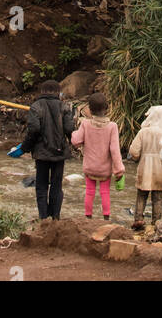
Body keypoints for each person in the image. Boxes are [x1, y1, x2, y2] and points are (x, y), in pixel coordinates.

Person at [24, 79, 75, 221]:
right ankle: (55, 217)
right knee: (56, 185)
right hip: (59, 153)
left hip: (41, 153)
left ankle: (43, 218)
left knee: (41, 186)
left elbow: (33, 130)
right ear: (58, 92)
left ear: (42, 92)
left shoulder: (36, 106)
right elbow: (69, 129)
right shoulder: (64, 107)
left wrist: (25, 148)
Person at [71, 91, 124, 221]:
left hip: (89, 167)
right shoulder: (112, 126)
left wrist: (73, 133)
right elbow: (115, 150)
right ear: (106, 108)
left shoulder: (85, 124)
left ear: (89, 109)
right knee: (105, 192)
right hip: (105, 169)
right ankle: (106, 217)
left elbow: (76, 141)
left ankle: (88, 216)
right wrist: (119, 170)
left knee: (90, 191)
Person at [129, 103, 162, 229]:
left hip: (144, 169)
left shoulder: (143, 132)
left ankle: (138, 219)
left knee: (141, 196)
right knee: (157, 198)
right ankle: (156, 222)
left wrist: (138, 158)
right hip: (160, 171)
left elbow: (133, 151)